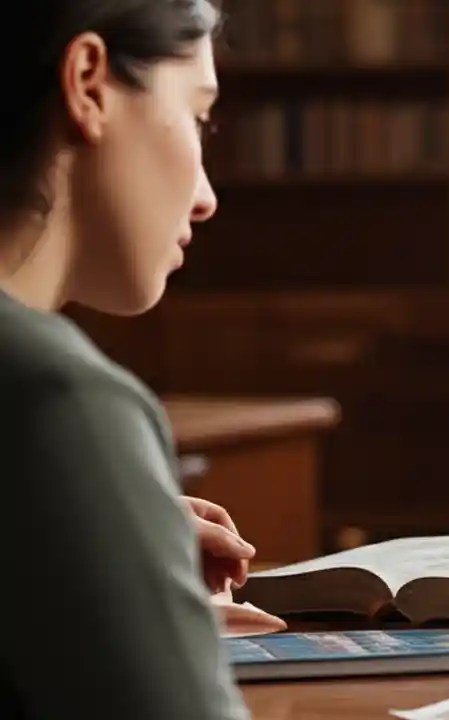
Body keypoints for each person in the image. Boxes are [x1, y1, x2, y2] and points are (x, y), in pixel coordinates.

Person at [0, 1, 254, 717]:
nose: (205, 198)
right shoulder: (50, 397)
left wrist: (94, 533)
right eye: (198, 116)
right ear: (89, 84)